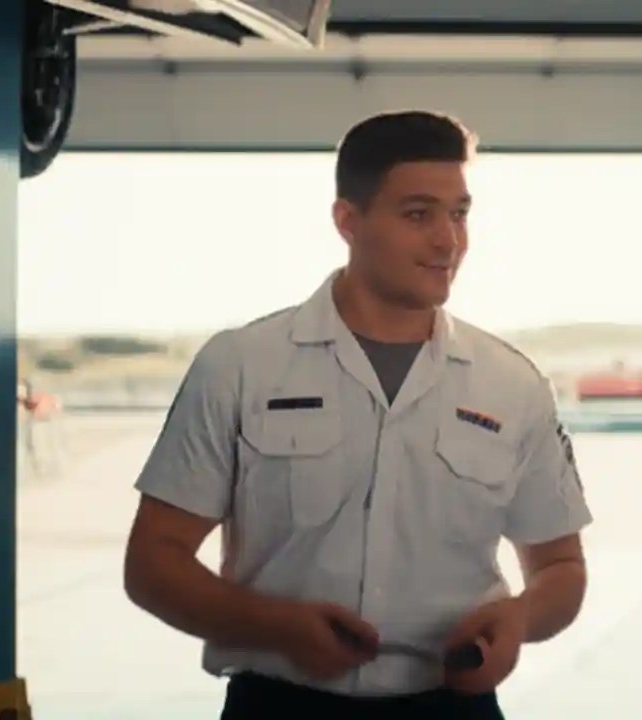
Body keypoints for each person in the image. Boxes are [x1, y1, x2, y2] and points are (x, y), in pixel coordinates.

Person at [123, 110, 593, 719]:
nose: (448, 241)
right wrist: (277, 626)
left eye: (459, 214)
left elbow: (561, 566)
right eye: (418, 214)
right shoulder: (240, 366)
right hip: (280, 706)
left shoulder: (512, 383)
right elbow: (153, 562)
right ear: (348, 220)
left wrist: (520, 618)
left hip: (454, 706)